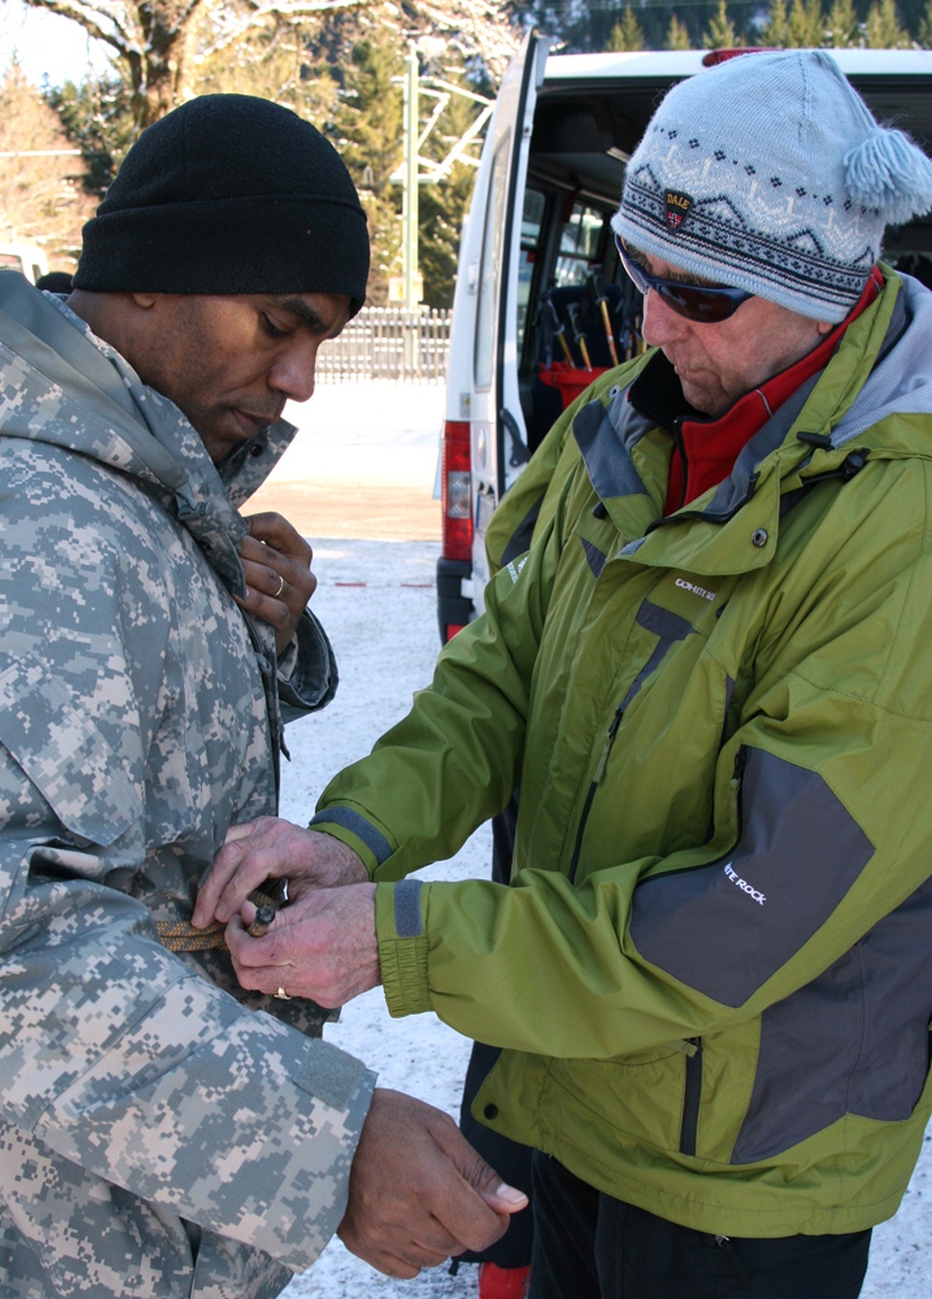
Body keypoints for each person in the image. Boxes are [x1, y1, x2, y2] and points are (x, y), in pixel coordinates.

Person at [194, 50, 932, 1299]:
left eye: (698, 293)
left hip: (738, 1172)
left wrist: (405, 945)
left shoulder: (900, 530)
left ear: (829, 293)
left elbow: (748, 917)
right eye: (636, 269)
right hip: (559, 1079)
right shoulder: (628, 424)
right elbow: (498, 682)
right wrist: (359, 840)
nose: (651, 324)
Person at [0, 93, 527, 1299]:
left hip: (124, 1211)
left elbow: (123, 767)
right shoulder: (42, 522)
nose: (301, 379)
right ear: (155, 275)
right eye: (279, 323)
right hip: (39, 1242)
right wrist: (327, 1146)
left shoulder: (128, 482)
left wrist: (262, 624)